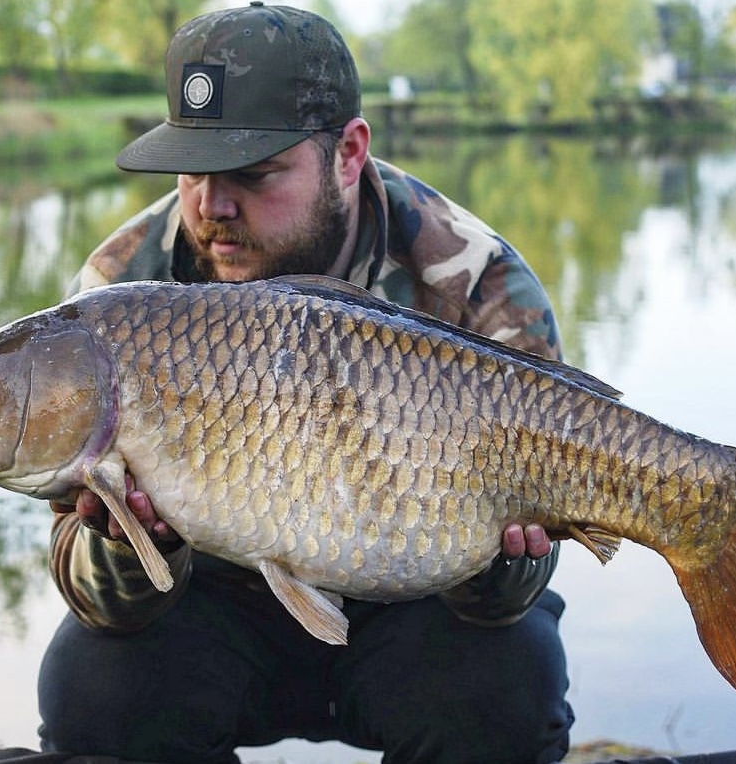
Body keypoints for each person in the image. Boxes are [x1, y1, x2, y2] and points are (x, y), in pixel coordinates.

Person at [37, 3, 573, 763]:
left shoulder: (474, 281)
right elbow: (90, 592)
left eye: (253, 175)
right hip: (210, 605)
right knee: (91, 689)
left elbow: (514, 591)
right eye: (192, 170)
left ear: (349, 154)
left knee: (506, 684)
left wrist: (507, 560)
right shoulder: (118, 296)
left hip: (416, 606)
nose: (211, 207)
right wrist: (129, 545)